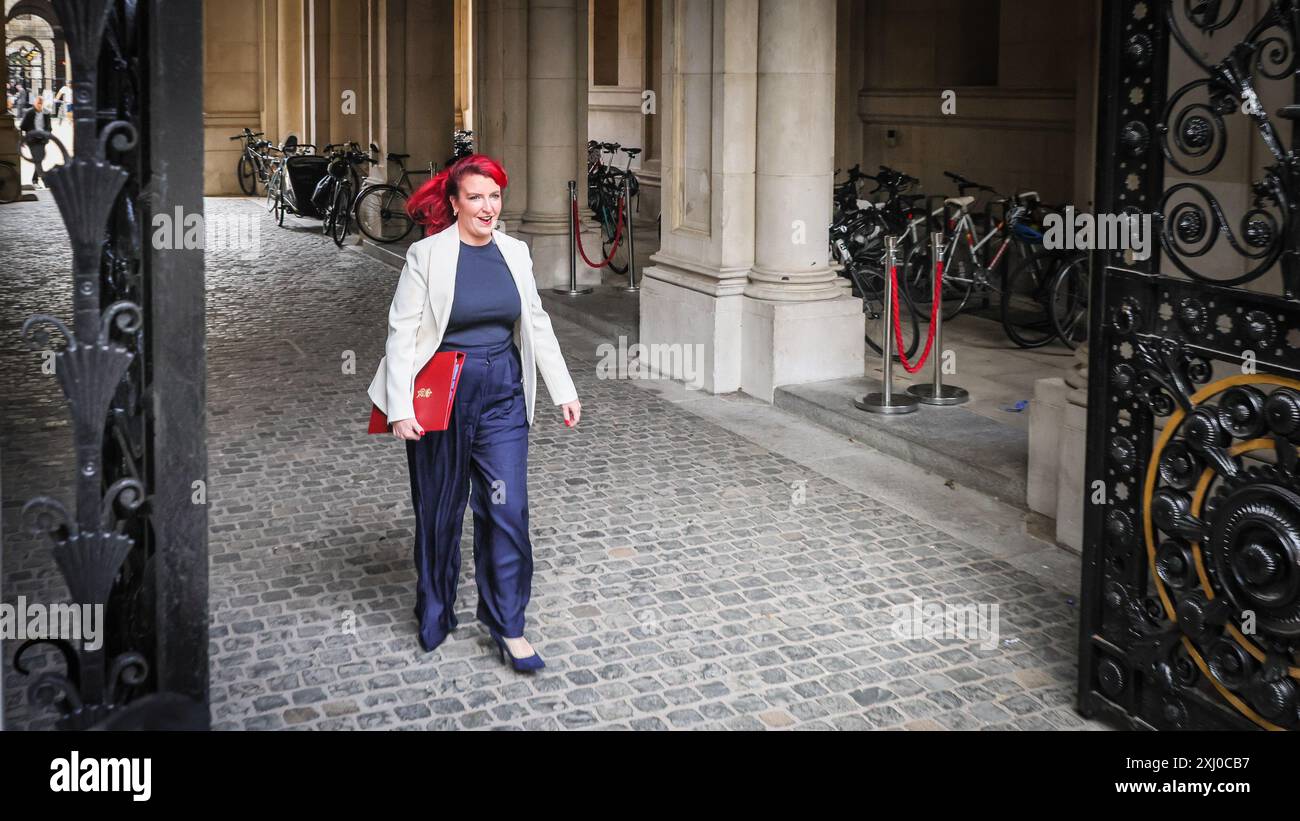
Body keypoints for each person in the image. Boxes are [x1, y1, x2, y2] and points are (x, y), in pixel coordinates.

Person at [366, 153, 582, 670]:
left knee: (507, 509)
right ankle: (436, 610)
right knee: (441, 510)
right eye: (476, 197)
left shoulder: (515, 252)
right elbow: (402, 333)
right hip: (442, 393)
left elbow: (535, 320)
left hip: (502, 391)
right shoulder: (427, 255)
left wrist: (563, 389)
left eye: (495, 196)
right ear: (456, 203)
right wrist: (399, 407)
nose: (488, 207)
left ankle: (509, 625)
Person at [19, 95, 53, 189]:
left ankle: (34, 181)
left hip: (42, 140)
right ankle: (45, 181)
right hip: (32, 140)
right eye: (38, 103)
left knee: (38, 160)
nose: (39, 105)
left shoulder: (46, 113)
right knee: (37, 160)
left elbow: (49, 127)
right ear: (35, 103)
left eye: (41, 103)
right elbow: (22, 127)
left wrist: (47, 137)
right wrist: (22, 139)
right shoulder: (30, 112)